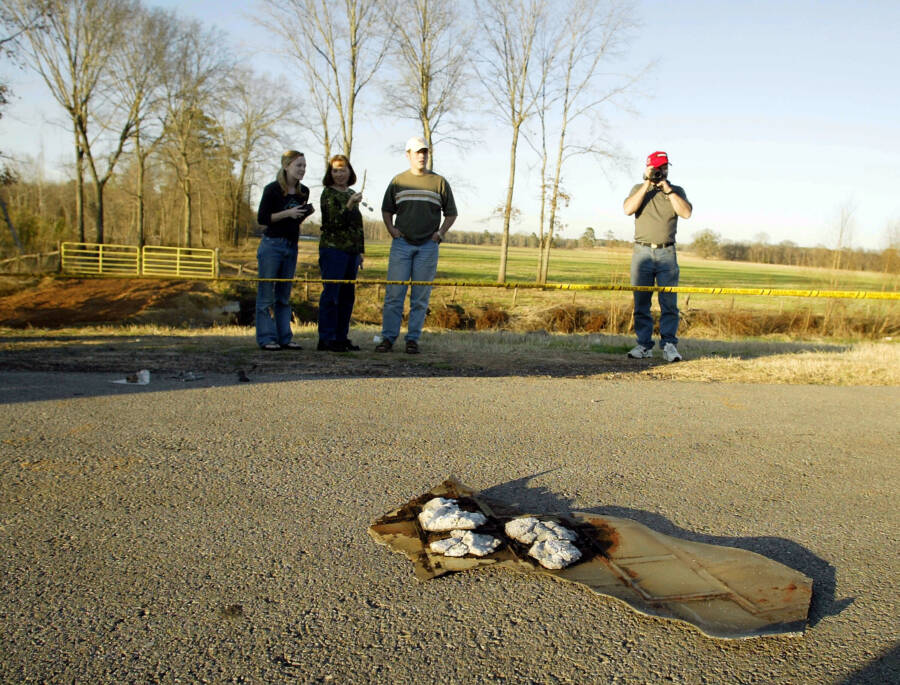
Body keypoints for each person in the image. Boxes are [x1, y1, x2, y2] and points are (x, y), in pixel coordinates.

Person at [376, 136, 457, 354]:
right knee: (394, 294)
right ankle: (388, 338)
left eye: (424, 152)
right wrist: (391, 229)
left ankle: (412, 339)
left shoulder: (439, 182)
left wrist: (440, 233)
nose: (421, 156)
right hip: (401, 244)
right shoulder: (398, 181)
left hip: (428, 247)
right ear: (408, 155)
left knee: (420, 297)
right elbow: (386, 209)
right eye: (417, 152)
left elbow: (451, 213)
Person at [623, 150, 692, 362]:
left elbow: (686, 213)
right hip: (642, 252)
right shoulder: (638, 189)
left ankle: (669, 345)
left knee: (669, 302)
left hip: (667, 253)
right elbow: (628, 209)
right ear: (648, 168)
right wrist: (647, 183)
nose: (661, 171)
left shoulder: (676, 191)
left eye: (664, 167)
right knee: (641, 301)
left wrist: (668, 190)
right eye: (657, 168)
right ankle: (644, 345)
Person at [255, 150, 314, 350]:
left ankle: (285, 338)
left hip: (291, 245)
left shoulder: (303, 191)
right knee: (266, 295)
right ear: (286, 166)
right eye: (298, 165)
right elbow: (263, 218)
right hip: (272, 245)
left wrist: (302, 214)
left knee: (284, 296)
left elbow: (294, 220)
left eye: (304, 166)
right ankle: (266, 338)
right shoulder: (272, 190)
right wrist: (287, 213)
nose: (302, 169)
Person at [317, 154, 365, 352]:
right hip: (333, 250)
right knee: (331, 295)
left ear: (349, 171)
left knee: (347, 297)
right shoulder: (328, 194)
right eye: (335, 170)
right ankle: (326, 338)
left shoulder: (351, 193)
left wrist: (360, 251)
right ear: (330, 173)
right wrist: (349, 204)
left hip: (351, 253)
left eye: (342, 170)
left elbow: (357, 225)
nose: (339, 174)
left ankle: (340, 337)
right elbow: (333, 223)